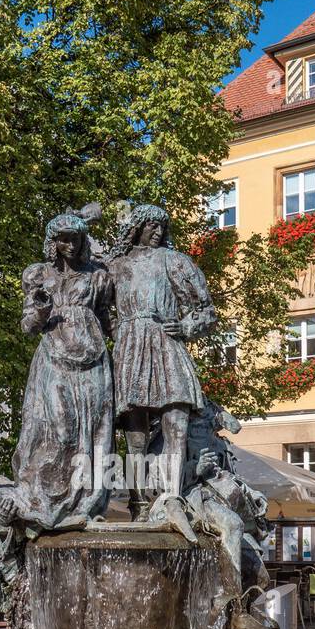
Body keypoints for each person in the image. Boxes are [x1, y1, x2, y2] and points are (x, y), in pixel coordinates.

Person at [107, 204, 217, 519]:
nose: (157, 232)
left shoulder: (174, 261)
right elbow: (98, 310)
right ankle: (139, 504)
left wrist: (186, 327)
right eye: (152, 226)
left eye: (161, 227)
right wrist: (120, 329)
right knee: (136, 437)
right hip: (131, 350)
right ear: (136, 228)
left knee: (176, 423)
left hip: (166, 344)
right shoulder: (116, 267)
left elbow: (206, 310)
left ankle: (172, 497)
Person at [11, 212, 115, 529]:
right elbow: (28, 326)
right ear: (53, 242)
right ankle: (45, 503)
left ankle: (86, 502)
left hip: (93, 360)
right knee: (57, 428)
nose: (70, 244)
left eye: (76, 238)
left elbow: (110, 322)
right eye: (64, 238)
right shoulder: (38, 275)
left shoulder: (98, 276)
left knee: (95, 430)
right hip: (54, 358)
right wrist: (42, 308)